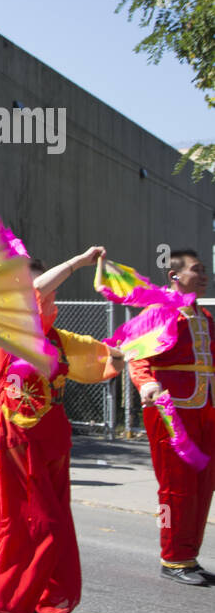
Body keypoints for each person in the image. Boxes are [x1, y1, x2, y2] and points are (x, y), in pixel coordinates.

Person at [0, 248, 123, 613]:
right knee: (32, 520)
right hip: (15, 437)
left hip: (53, 440)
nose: (47, 299)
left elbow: (106, 356)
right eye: (39, 292)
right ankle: (17, 599)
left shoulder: (60, 340)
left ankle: (45, 599)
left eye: (50, 295)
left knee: (56, 521)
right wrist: (78, 262)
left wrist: (138, 348)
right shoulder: (5, 327)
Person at [130, 248, 215, 585]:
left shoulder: (205, 318)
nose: (205, 275)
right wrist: (147, 383)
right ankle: (173, 558)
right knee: (174, 488)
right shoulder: (158, 312)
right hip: (171, 410)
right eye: (197, 269)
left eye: (205, 269)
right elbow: (137, 356)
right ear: (174, 275)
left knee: (202, 486)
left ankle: (189, 557)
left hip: (205, 409)